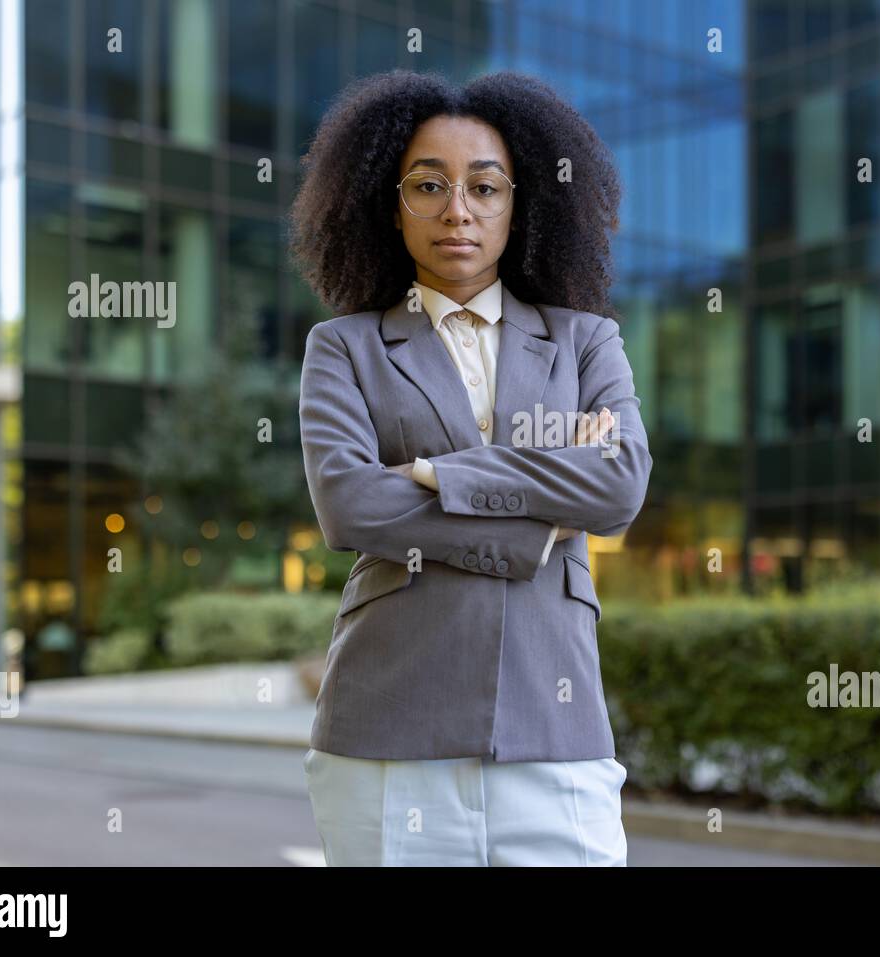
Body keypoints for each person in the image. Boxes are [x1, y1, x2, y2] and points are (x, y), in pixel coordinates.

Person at [290, 69, 652, 866]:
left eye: (485, 187)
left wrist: (435, 475)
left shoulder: (585, 340)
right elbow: (350, 505)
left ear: (521, 205)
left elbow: (619, 484)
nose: (458, 209)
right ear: (388, 203)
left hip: (553, 730)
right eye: (428, 185)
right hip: (387, 731)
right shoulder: (343, 348)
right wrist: (545, 506)